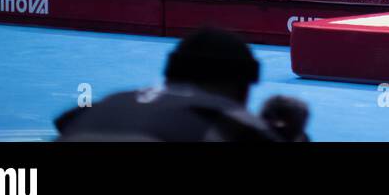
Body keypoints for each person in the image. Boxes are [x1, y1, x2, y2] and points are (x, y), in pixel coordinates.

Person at [54, 28, 281, 142]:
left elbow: (63, 122)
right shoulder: (228, 121)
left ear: (170, 75)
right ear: (239, 88)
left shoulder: (112, 101)